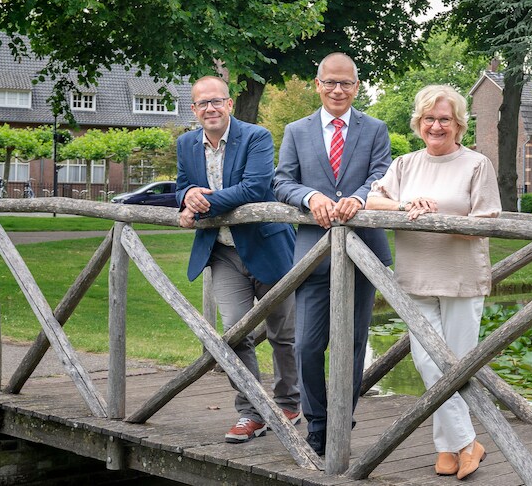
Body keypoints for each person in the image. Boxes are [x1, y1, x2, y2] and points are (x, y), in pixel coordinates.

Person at [365, 84, 499, 480]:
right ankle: (464, 444)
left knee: (455, 368)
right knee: (429, 364)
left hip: (461, 280)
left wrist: (438, 217)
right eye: (429, 119)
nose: (436, 126)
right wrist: (408, 205)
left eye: (444, 119)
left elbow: (487, 221)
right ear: (419, 123)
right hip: (415, 279)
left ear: (458, 125)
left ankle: (445, 447)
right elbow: (374, 200)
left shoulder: (477, 164)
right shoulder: (406, 164)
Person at [273, 52, 393, 457]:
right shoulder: (296, 130)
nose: (338, 90)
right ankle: (318, 419)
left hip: (364, 252)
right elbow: (282, 180)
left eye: (346, 83)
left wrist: (359, 199)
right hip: (312, 250)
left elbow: (382, 175)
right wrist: (310, 196)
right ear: (318, 84)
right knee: (307, 343)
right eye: (331, 82)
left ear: (357, 86)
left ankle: (344, 415)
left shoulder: (375, 128)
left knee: (354, 342)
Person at [176, 76, 301, 443]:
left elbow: (256, 187)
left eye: (217, 101)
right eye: (203, 104)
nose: (211, 109)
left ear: (229, 104)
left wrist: (199, 205)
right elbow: (183, 184)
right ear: (194, 109)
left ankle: (289, 404)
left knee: (284, 333)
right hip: (223, 252)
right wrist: (187, 196)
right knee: (233, 334)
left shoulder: (256, 137)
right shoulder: (186, 143)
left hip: (268, 246)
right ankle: (252, 412)